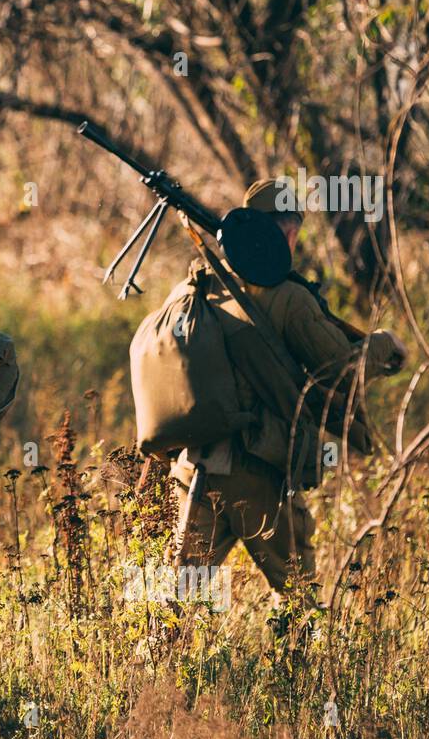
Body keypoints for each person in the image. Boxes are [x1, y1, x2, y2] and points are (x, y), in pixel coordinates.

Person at [168, 178, 406, 607]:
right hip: (258, 472)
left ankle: (152, 674)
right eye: (291, 227)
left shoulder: (202, 284)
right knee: (301, 604)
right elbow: (341, 374)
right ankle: (300, 674)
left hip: (196, 466)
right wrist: (382, 346)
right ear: (284, 231)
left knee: (175, 605)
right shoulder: (291, 299)